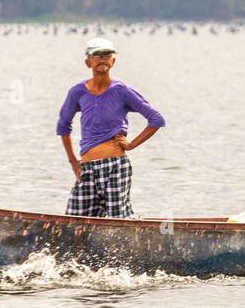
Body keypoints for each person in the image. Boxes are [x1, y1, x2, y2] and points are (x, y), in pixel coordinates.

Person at [57, 37, 165, 217]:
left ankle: (131, 236)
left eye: (107, 54)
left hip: (116, 166)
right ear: (88, 62)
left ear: (113, 61)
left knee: (118, 218)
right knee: (74, 219)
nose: (102, 59)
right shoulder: (77, 92)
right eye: (97, 55)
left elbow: (156, 119)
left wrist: (131, 145)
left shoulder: (121, 90)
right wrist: (73, 161)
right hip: (87, 168)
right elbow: (63, 125)